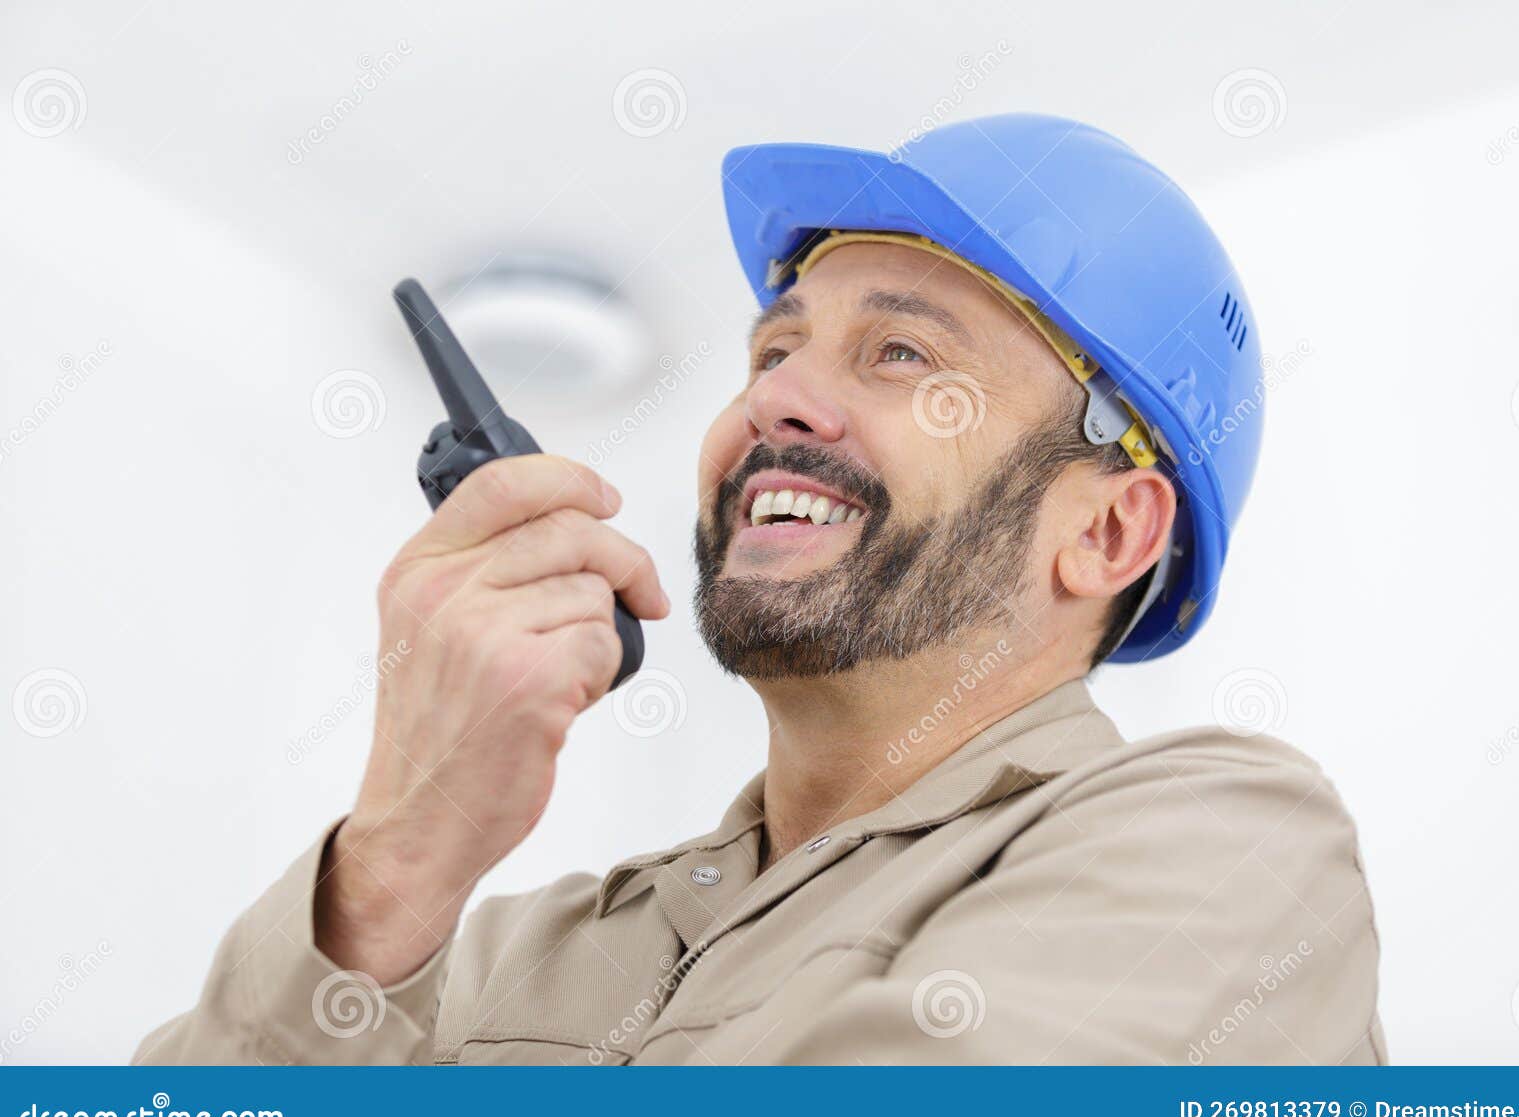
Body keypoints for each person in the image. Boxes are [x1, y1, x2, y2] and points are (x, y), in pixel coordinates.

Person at [135, 114, 1383, 1065]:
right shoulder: (498, 963)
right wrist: (399, 855)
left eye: (900, 353)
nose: (772, 395)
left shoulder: (1229, 850)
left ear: (1109, 529)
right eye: (774, 349)